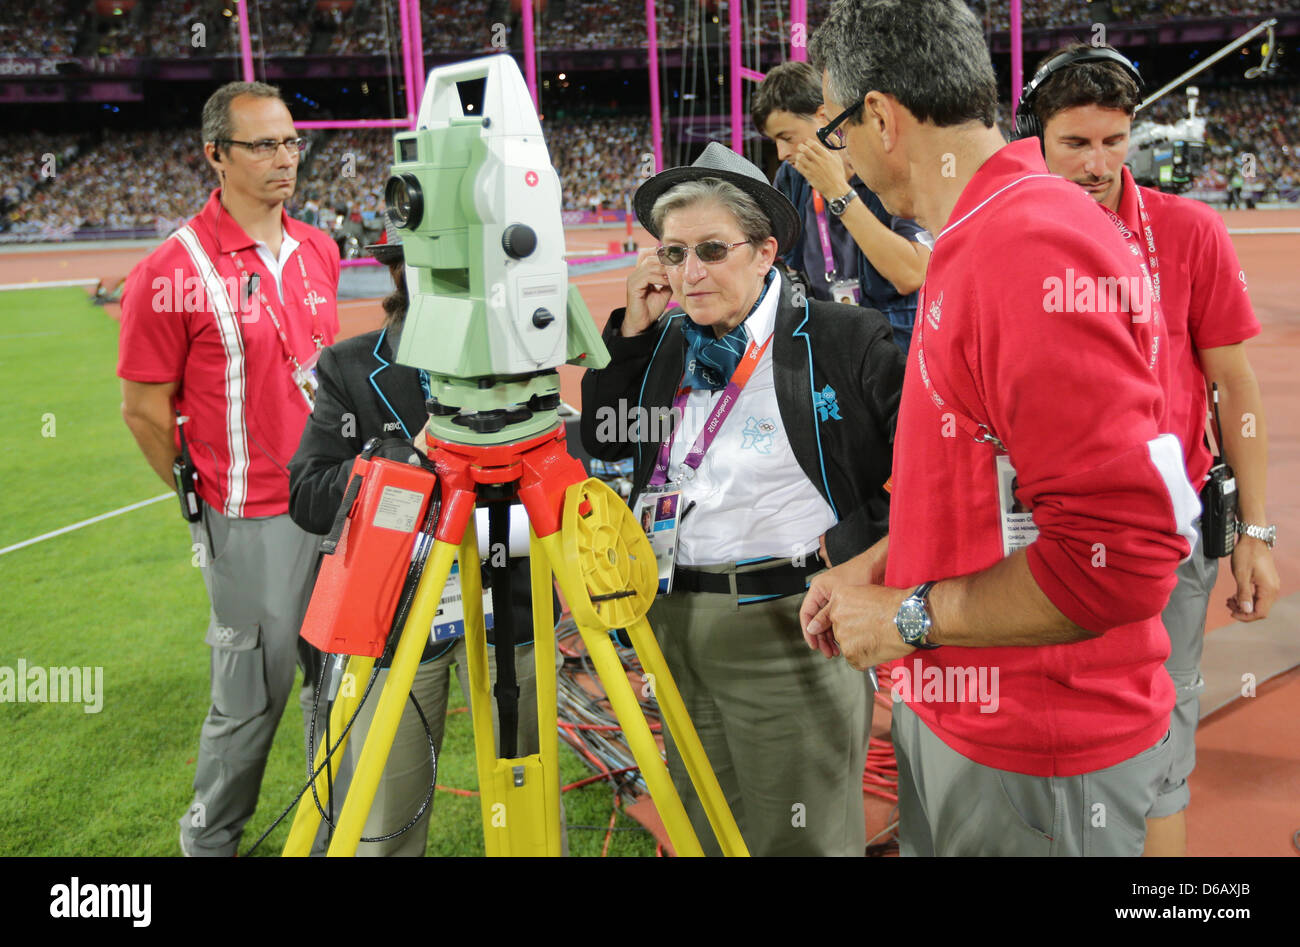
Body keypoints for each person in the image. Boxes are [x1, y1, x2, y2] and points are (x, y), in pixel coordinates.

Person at [802, 0, 1199, 857]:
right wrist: (890, 560)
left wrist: (904, 616)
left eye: (837, 128)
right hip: (989, 716)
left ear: (880, 116)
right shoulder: (988, 231)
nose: (843, 154)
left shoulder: (1024, 246)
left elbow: (1122, 557)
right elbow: (997, 481)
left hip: (1037, 744)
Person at [580, 141, 905, 856]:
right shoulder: (666, 341)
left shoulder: (843, 338)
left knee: (801, 839)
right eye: (672, 253)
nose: (689, 273)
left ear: (765, 252)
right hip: (674, 622)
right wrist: (629, 338)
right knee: (702, 828)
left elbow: (932, 468)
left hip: (787, 628)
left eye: (711, 250)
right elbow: (607, 439)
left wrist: (853, 554)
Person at [1026, 42, 1279, 856]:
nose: (1097, 162)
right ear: (1037, 139)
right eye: (1076, 143)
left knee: (1162, 719)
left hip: (1170, 535)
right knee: (1050, 722)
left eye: (1112, 140)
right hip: (1046, 531)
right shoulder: (1007, 240)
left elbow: (1236, 391)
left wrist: (1257, 533)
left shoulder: (1189, 230)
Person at [117, 80, 340, 856]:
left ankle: (329, 839)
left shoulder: (320, 248)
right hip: (249, 519)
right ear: (215, 155)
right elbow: (145, 412)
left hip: (334, 507)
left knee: (339, 689)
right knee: (250, 701)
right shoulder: (170, 272)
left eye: (290, 142)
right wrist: (210, 498)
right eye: (263, 145)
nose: (285, 159)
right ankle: (209, 846)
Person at [287, 225, 557, 856]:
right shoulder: (350, 367)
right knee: (384, 815)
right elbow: (307, 493)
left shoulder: (522, 352)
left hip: (507, 604)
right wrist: (401, 465)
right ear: (400, 274)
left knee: (529, 804)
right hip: (396, 613)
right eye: (434, 264)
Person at [752, 60, 930, 353]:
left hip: (893, 344)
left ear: (824, 117)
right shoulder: (792, 178)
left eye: (787, 137)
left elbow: (910, 275)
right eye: (775, 142)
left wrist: (838, 192)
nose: (782, 153)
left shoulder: (892, 166)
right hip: (825, 341)